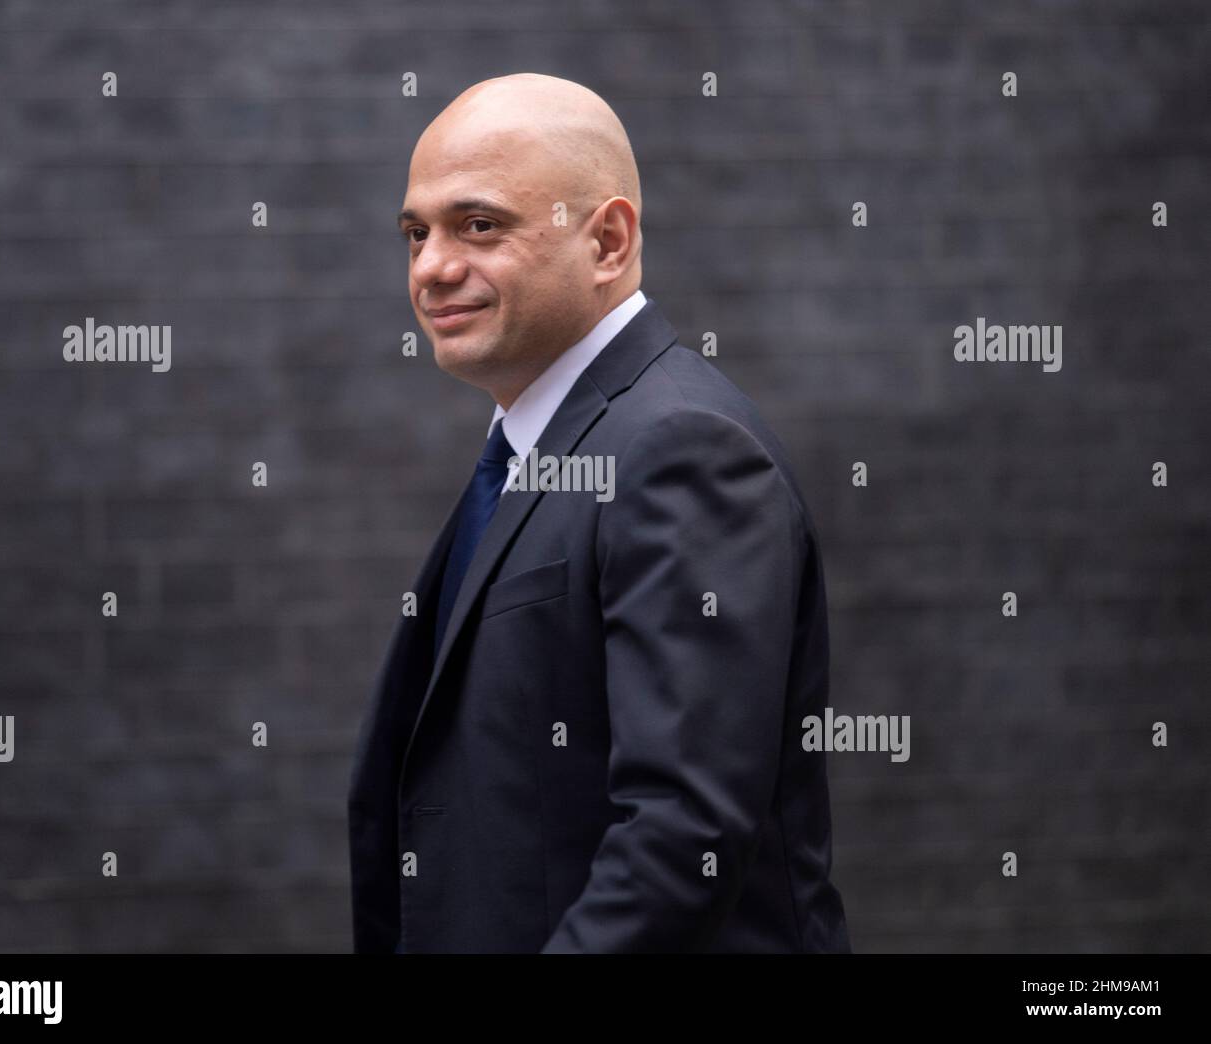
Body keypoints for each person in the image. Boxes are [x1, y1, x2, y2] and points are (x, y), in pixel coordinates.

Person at [347, 72, 850, 953]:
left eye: (479, 225)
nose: (431, 266)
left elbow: (681, 834)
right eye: (415, 233)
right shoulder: (539, 449)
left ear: (608, 240)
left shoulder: (683, 450)